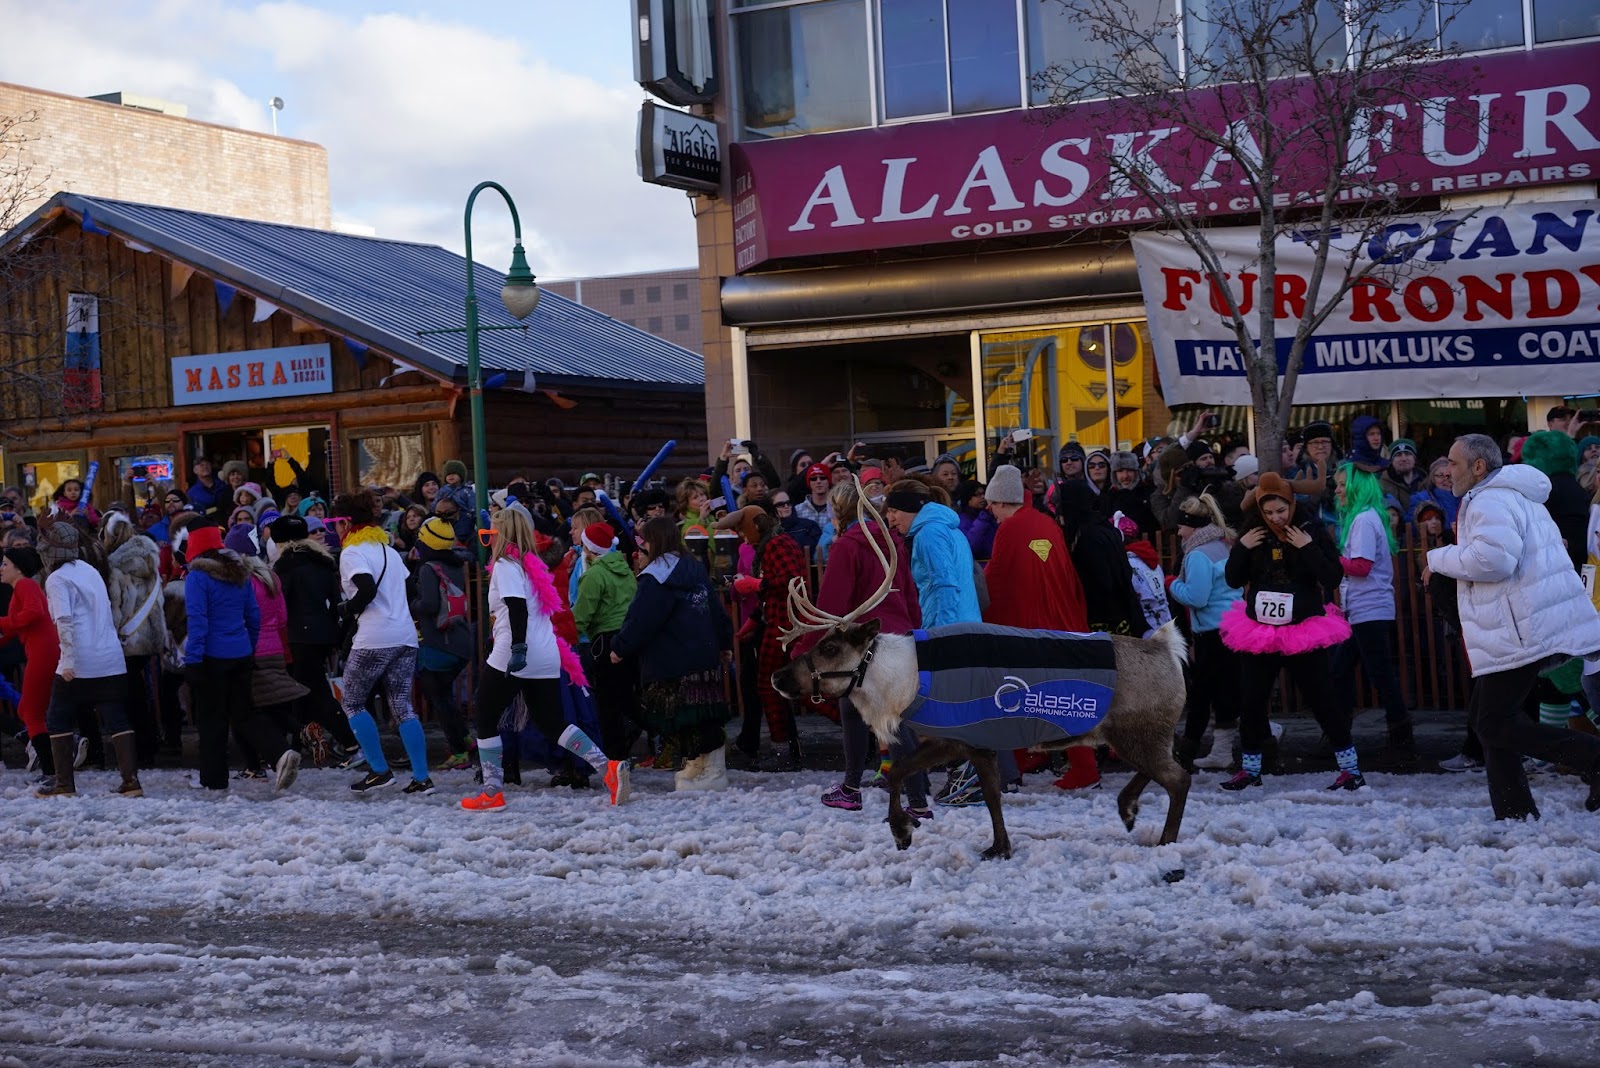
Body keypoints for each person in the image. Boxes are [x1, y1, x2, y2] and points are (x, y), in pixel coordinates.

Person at [1423, 434, 1600, 820]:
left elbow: (1493, 562)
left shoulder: (1490, 499)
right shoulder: (1510, 493)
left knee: (1493, 721)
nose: (1447, 469)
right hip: (1521, 621)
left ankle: (1593, 758)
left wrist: (1438, 558)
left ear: (1478, 467)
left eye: (1453, 463)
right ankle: (1514, 810)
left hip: (1519, 627)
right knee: (1486, 720)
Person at [462, 504, 629, 811]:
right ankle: (607, 768)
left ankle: (491, 791)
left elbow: (516, 607)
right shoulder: (531, 564)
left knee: (485, 717)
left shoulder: (506, 565)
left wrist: (518, 649)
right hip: (547, 652)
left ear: (503, 534)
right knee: (554, 724)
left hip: (514, 649)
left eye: (490, 534)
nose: (489, 540)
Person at [1220, 472, 1363, 793]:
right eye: (1268, 512)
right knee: (1252, 702)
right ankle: (1250, 769)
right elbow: (1232, 579)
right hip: (1259, 629)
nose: (1275, 518)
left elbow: (1332, 577)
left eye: (1281, 511)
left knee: (1322, 699)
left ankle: (1351, 769)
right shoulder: (1253, 531)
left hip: (1303, 629)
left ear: (1291, 503)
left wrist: (1308, 547)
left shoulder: (1309, 528)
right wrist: (1241, 548)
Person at [802, 480, 926, 814]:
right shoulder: (891, 542)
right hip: (899, 638)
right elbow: (909, 593)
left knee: (888, 721)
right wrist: (915, 631)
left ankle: (914, 801)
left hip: (866, 645)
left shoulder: (846, 546)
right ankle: (853, 786)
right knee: (865, 713)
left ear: (838, 510)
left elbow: (831, 604)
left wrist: (809, 646)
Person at [980, 463, 1096, 793]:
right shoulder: (1046, 523)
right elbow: (1064, 574)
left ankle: (1083, 769)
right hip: (1061, 620)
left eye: (992, 503)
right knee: (1057, 694)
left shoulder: (1011, 529)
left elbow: (997, 581)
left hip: (1030, 625)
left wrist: (978, 610)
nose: (989, 510)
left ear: (1003, 501)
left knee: (1022, 692)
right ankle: (1027, 758)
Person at [612, 517, 735, 791]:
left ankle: (714, 771)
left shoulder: (656, 579)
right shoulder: (693, 568)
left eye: (642, 544)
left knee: (686, 716)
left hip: (672, 659)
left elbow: (641, 619)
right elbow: (716, 609)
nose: (638, 549)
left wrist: (621, 646)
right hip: (702, 656)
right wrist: (724, 642)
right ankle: (697, 763)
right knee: (700, 714)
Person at [331, 490, 434, 795]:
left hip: (375, 636)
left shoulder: (352, 552)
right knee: (402, 705)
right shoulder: (387, 549)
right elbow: (408, 586)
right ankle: (421, 777)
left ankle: (379, 770)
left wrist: (345, 609)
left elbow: (366, 591)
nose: (334, 528)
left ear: (347, 522)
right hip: (404, 635)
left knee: (351, 701)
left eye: (336, 521)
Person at [182, 523, 297, 792]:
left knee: (212, 720)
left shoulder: (197, 577)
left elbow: (198, 622)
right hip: (241, 653)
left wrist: (193, 661)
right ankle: (280, 752)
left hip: (211, 656)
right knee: (245, 713)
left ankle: (213, 780)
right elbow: (253, 617)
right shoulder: (241, 573)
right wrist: (249, 647)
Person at [36, 521, 137, 798]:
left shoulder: (57, 579)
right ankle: (131, 782)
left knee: (57, 718)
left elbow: (65, 622)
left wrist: (67, 661)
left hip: (80, 660)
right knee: (116, 717)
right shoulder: (89, 570)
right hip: (110, 657)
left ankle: (64, 785)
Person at [1329, 461, 1414, 757]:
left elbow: (1361, 567)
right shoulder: (1365, 516)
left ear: (1356, 487)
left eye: (1341, 484)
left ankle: (1399, 736)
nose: (1337, 490)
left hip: (1369, 609)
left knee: (1377, 674)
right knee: (1342, 672)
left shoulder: (1363, 520)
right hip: (1363, 609)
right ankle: (1340, 735)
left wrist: (1329, 559)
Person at [719, 504, 808, 769]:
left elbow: (791, 580)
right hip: (778, 623)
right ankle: (786, 748)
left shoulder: (776, 545)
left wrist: (755, 584)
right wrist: (755, 620)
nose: (741, 536)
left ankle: (784, 752)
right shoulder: (773, 544)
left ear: (755, 526)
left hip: (784, 626)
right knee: (782, 686)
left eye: (742, 530)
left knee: (774, 686)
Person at [269, 514, 358, 763]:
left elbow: (281, 604)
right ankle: (298, 746)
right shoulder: (323, 561)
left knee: (315, 692)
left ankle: (351, 743)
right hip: (324, 633)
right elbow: (334, 599)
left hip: (300, 635)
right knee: (303, 688)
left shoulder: (285, 566)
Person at [1169, 494, 1245, 772]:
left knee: (1202, 693)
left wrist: (1172, 585)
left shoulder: (1198, 554)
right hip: (1232, 627)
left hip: (1213, 632)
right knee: (1225, 692)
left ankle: (1185, 753)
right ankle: (1225, 750)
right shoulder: (1222, 545)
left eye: (1181, 526)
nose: (1178, 531)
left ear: (1192, 525)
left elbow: (1197, 597)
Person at [100, 511, 167, 766]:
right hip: (148, 635)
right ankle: (148, 744)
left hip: (127, 639)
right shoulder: (149, 558)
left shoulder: (114, 566)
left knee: (129, 697)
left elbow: (116, 606)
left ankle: (138, 749)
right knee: (140, 693)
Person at [572, 520, 641, 762]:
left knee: (608, 706)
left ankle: (615, 758)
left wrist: (564, 636)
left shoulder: (594, 575)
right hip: (629, 639)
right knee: (627, 699)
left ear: (589, 549)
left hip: (604, 642)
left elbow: (581, 615)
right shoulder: (625, 570)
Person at [411, 516, 476, 770]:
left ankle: (459, 750)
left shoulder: (429, 568)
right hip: (460, 641)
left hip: (438, 643)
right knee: (444, 697)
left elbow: (429, 605)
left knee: (438, 698)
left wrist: (411, 605)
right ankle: (465, 740)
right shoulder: (456, 564)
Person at [881, 480, 981, 627]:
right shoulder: (950, 529)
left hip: (950, 629)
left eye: (894, 511)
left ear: (911, 508)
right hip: (967, 624)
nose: (890, 519)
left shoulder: (929, 534)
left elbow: (946, 585)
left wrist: (943, 632)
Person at [0, 545, 60, 787]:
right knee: (26, 710)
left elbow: (34, 613)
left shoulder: (25, 585)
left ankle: (52, 771)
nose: (0, 568)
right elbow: (15, 627)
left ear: (18, 568)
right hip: (39, 651)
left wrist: (1, 621)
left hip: (42, 652)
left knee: (32, 713)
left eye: (4, 564)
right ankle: (54, 760)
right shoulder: (19, 590)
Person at [954, 479, 996, 560]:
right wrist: (983, 519)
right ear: (967, 498)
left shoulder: (991, 516)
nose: (983, 497)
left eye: (983, 493)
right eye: (977, 494)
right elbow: (970, 546)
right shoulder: (961, 521)